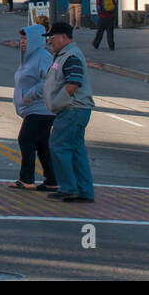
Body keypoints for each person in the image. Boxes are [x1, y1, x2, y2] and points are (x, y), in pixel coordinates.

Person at [42, 22, 95, 202]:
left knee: (59, 146)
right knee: (76, 150)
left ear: (64, 37)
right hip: (77, 109)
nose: (50, 41)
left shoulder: (71, 56)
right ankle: (84, 191)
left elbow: (74, 83)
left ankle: (68, 187)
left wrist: (58, 101)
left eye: (53, 37)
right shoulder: (64, 54)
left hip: (72, 109)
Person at [11, 25, 57, 191]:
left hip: (40, 109)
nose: (23, 42)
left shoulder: (42, 56)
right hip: (34, 109)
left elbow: (48, 80)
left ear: (36, 40)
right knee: (41, 144)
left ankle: (26, 178)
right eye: (22, 38)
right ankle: (52, 180)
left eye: (26, 38)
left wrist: (29, 95)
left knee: (26, 139)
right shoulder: (29, 57)